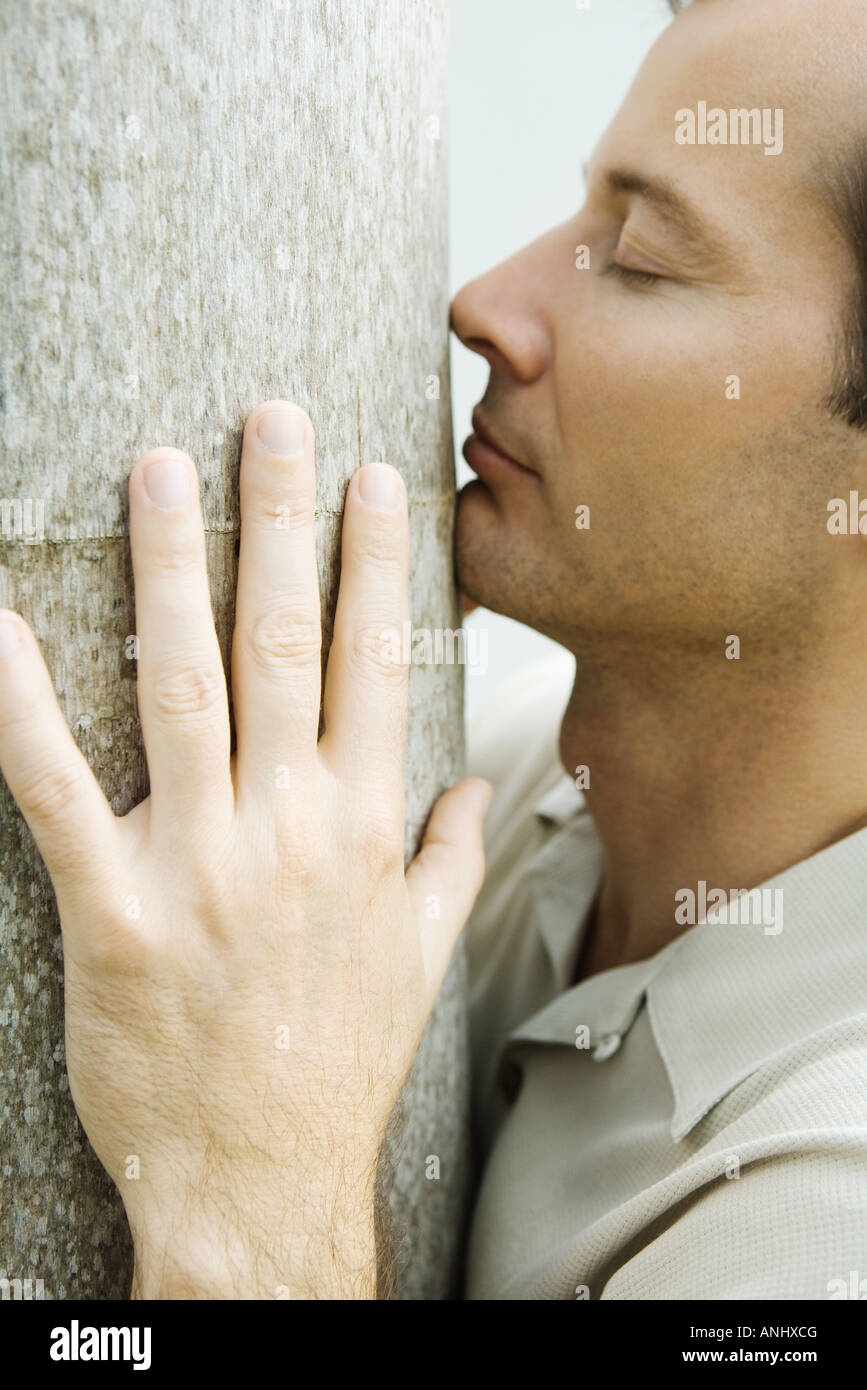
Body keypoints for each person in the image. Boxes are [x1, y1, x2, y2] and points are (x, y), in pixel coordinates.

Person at [1, 0, 865, 1299]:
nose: (484, 303)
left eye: (634, 255)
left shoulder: (822, 1213)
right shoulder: (504, 786)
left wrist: (260, 1205)